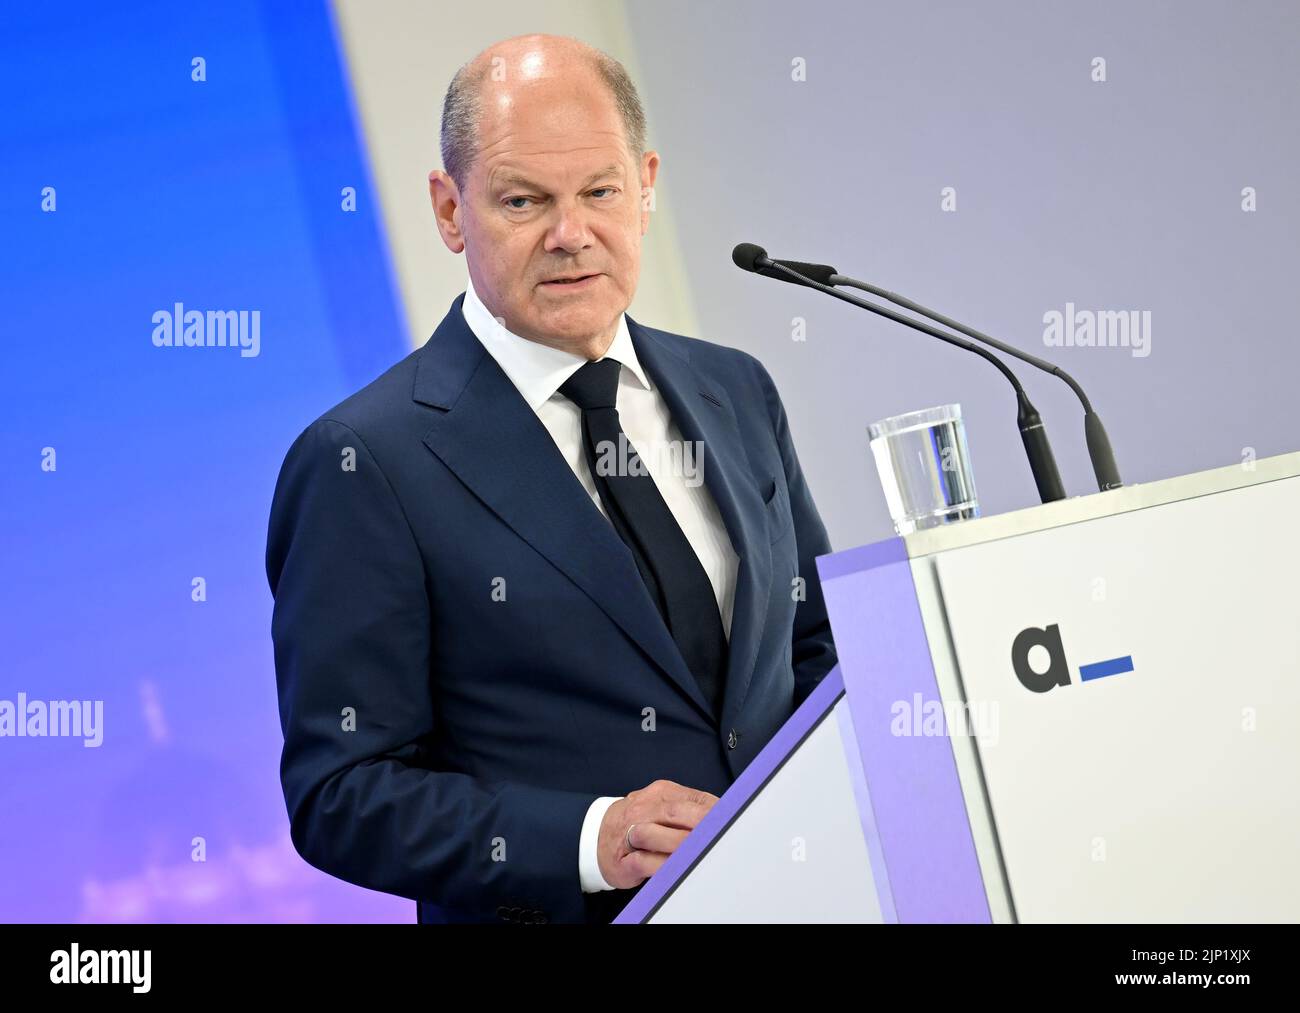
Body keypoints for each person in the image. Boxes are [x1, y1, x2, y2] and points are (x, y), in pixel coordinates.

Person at [266, 32, 837, 924]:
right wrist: (591, 838)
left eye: (600, 192)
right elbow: (341, 792)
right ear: (450, 211)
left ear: (645, 185)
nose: (572, 235)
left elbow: (815, 651)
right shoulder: (364, 462)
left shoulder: (736, 390)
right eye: (524, 200)